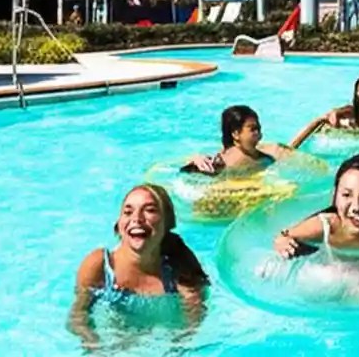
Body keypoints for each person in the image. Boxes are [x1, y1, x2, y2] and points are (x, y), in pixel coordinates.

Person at [67, 184, 209, 348]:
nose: (137, 219)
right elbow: (77, 318)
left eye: (149, 210)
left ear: (167, 224)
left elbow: (192, 326)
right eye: (128, 212)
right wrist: (96, 347)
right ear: (119, 225)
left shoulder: (179, 270)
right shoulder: (100, 265)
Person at [289, 73, 359, 148]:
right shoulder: (352, 110)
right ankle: (292, 147)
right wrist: (331, 117)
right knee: (323, 123)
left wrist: (348, 131)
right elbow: (332, 114)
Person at [181, 105, 296, 175]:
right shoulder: (224, 161)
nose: (259, 133)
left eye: (259, 128)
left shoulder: (269, 154)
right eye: (253, 129)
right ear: (236, 134)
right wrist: (194, 158)